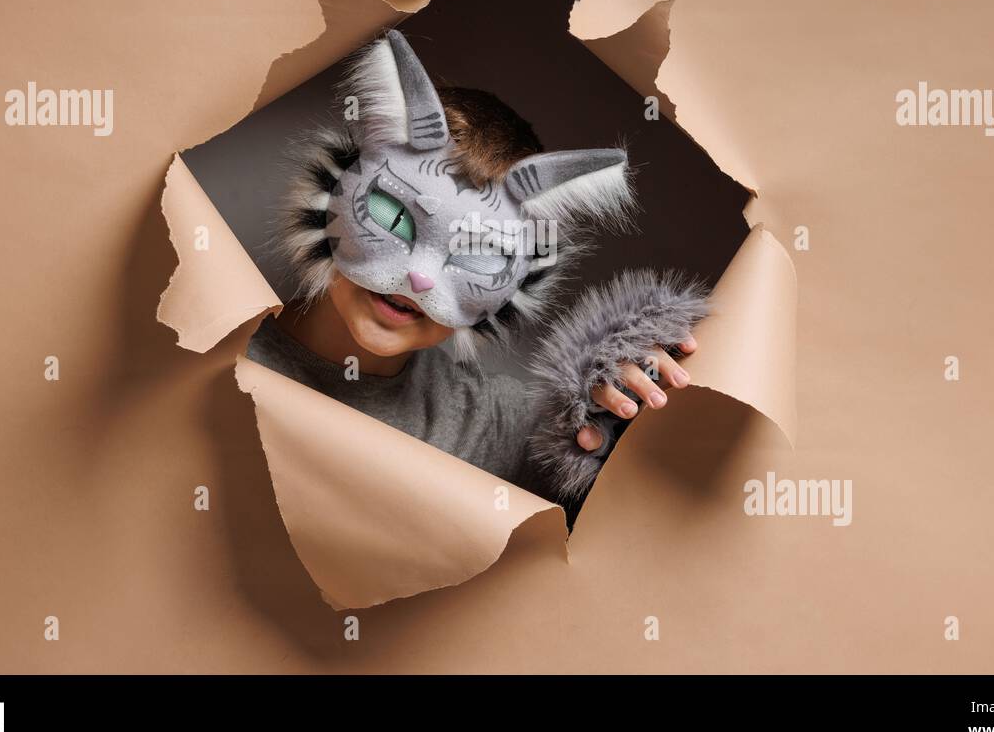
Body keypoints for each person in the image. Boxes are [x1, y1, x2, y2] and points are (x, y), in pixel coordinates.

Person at [246, 29, 710, 513]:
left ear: (524, 280)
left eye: (477, 253)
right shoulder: (204, 346)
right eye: (393, 216)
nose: (419, 278)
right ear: (335, 185)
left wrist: (618, 401)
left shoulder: (504, 429)